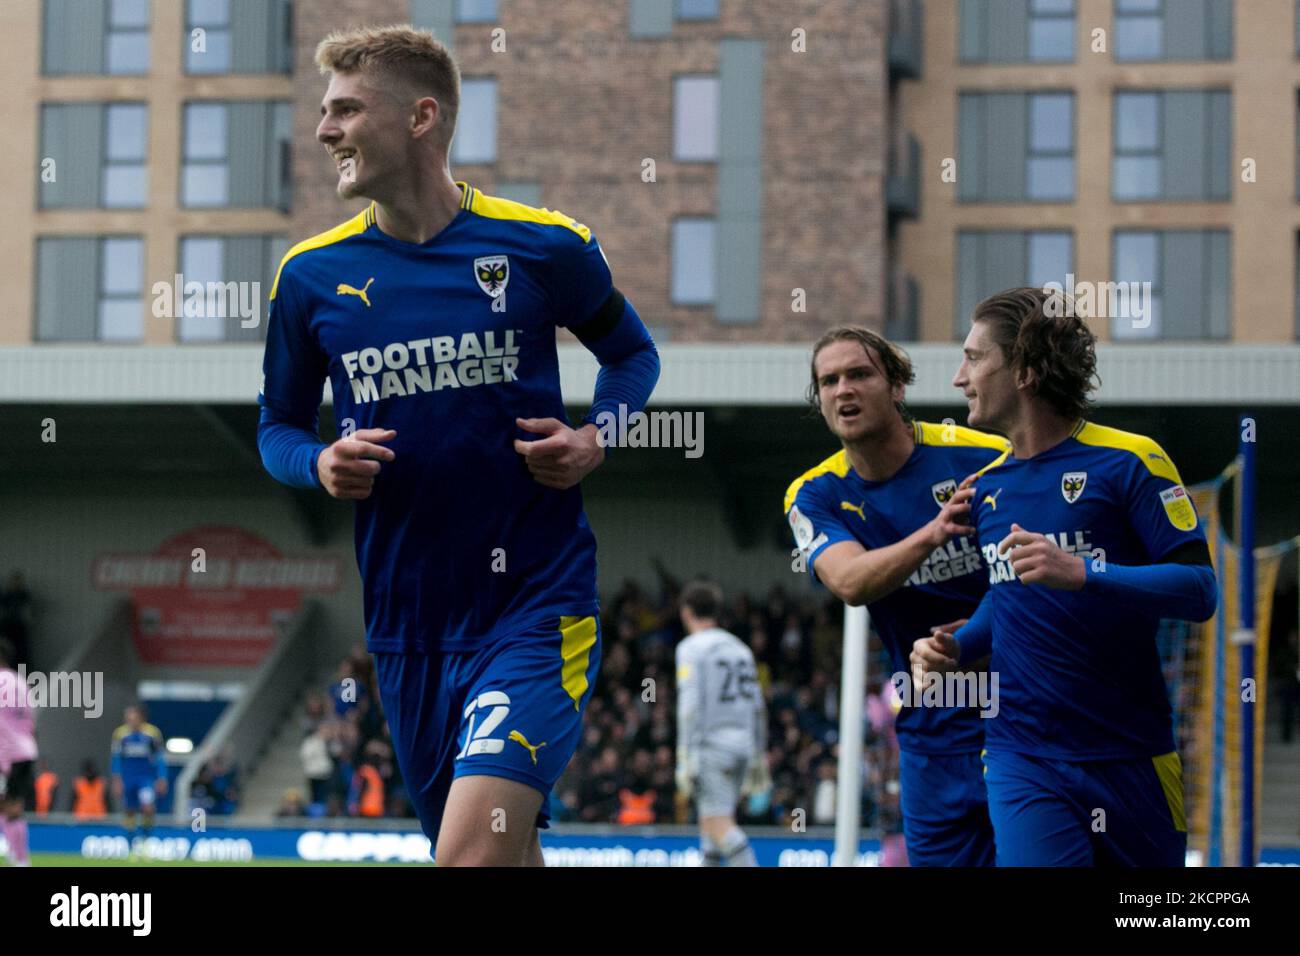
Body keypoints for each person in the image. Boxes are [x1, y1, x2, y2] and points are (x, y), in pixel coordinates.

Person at [256, 24, 659, 866]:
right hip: (405, 630)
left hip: (535, 607)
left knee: (467, 856)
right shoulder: (308, 277)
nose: (325, 130)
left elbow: (633, 355)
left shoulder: (545, 244)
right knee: (502, 855)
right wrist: (318, 462)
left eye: (345, 109)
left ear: (420, 118)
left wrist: (598, 436)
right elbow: (278, 430)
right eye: (323, 112)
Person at [913, 287, 1217, 866]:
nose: (958, 377)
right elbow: (1007, 603)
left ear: (1026, 370)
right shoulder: (985, 490)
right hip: (1023, 758)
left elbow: (1200, 591)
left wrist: (1083, 571)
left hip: (1133, 757)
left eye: (974, 358)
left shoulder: (1132, 460)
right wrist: (954, 648)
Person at [784, 328, 1008, 866]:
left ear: (897, 386)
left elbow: (1030, 578)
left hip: (1019, 709)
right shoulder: (814, 493)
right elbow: (852, 583)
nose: (843, 391)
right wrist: (934, 532)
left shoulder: (986, 455)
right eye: (829, 381)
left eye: (859, 374)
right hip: (930, 724)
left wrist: (978, 635)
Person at [675, 581, 769, 866]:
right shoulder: (740, 649)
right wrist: (757, 755)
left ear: (686, 612)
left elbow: (690, 706)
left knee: (719, 826)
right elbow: (758, 706)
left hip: (711, 748)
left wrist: (684, 755)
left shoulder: (691, 648)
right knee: (710, 829)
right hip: (742, 747)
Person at [0, 640, 36, 866]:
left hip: (7, 753)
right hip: (25, 751)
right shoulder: (20, 682)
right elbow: (30, 719)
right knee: (12, 806)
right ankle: (17, 854)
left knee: (9, 806)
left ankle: (18, 856)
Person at [110, 705, 168, 843]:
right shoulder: (120, 734)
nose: (130, 720)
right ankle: (130, 845)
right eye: (128, 717)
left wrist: (162, 778)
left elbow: (159, 757)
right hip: (128, 777)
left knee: (148, 808)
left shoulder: (152, 733)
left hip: (145, 778)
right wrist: (117, 780)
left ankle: (145, 841)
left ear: (141, 718)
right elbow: (116, 758)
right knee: (129, 811)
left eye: (133, 717)